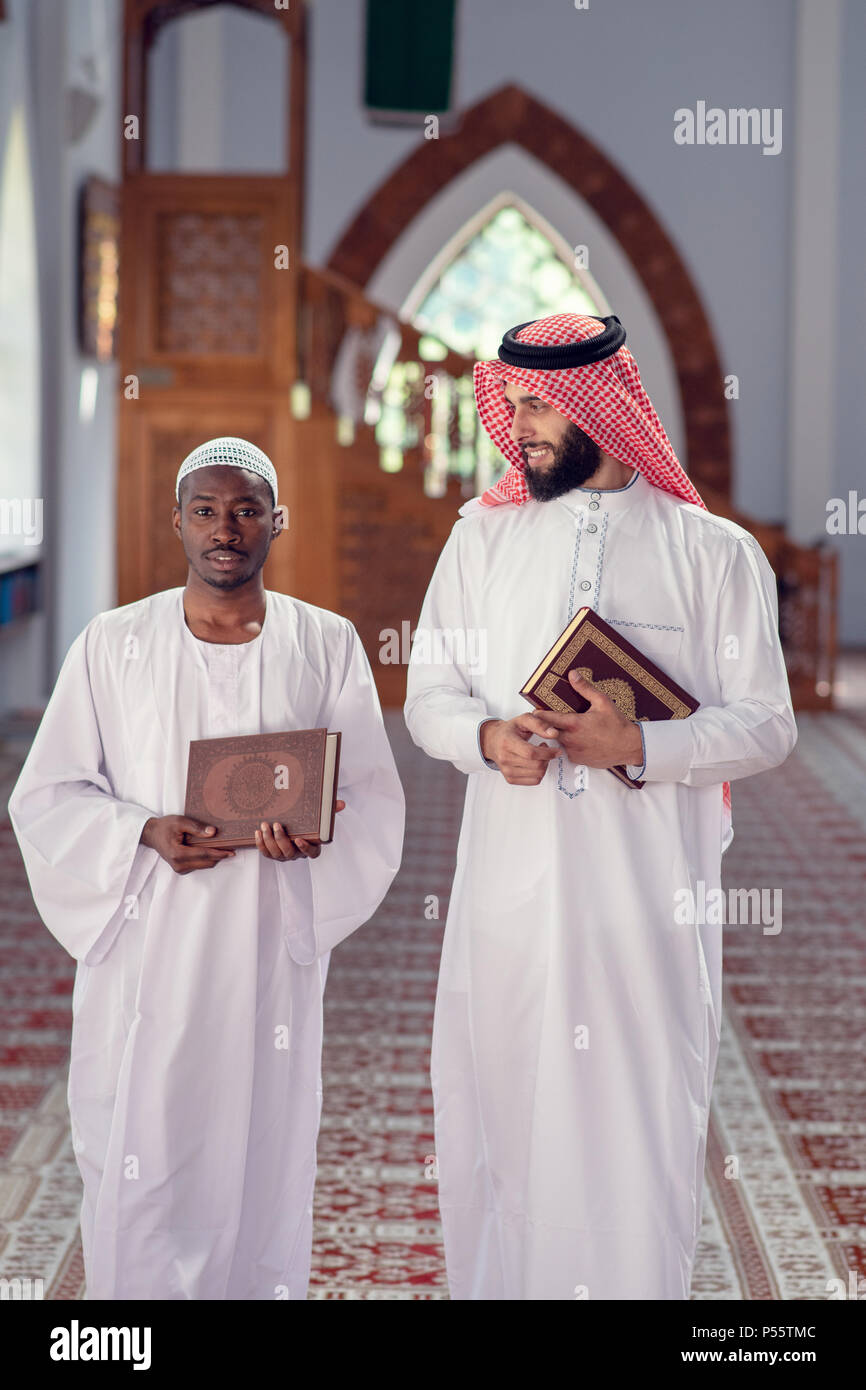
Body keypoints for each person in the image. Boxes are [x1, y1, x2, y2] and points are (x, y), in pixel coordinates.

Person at [403, 313, 797, 1300]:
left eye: (538, 404)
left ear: (598, 404)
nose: (518, 424)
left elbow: (766, 725)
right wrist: (487, 741)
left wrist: (647, 746)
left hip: (644, 903)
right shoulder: (481, 540)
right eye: (515, 400)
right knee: (505, 1112)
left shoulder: (713, 553)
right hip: (509, 891)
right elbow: (426, 700)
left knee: (634, 1123)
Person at [9, 436, 405, 1300]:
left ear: (277, 521)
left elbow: (370, 798)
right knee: (137, 1151)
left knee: (259, 1154)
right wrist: (142, 831)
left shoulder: (326, 643)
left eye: (247, 509)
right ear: (177, 520)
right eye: (206, 510)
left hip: (267, 941)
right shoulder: (112, 644)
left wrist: (312, 841)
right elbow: (48, 795)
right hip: (148, 947)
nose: (226, 528)